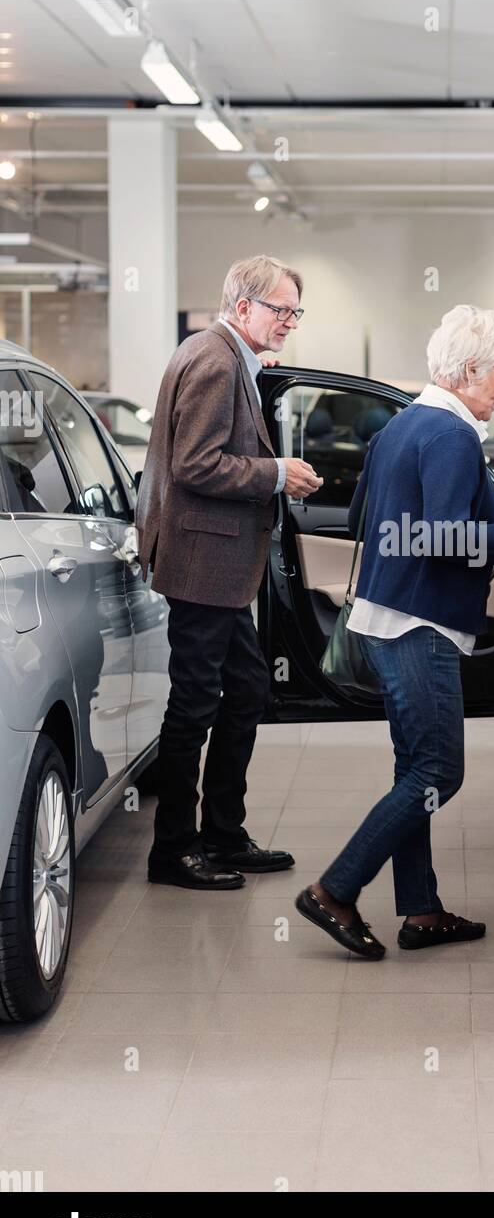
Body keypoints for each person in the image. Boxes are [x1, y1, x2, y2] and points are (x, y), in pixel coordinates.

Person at [296, 304, 494, 956]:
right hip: (419, 627)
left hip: (383, 618)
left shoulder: (399, 427)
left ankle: (422, 911)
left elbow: (359, 523)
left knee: (415, 769)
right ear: (470, 370)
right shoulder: (452, 436)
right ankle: (334, 892)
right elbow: (440, 535)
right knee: (438, 772)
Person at [136, 255, 322, 890]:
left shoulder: (222, 355)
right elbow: (197, 464)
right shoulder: (216, 362)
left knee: (246, 690)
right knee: (194, 705)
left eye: (295, 311)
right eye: (281, 310)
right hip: (202, 564)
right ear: (243, 308)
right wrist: (277, 473)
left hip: (215, 567)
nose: (290, 321)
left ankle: (222, 833)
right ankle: (174, 852)